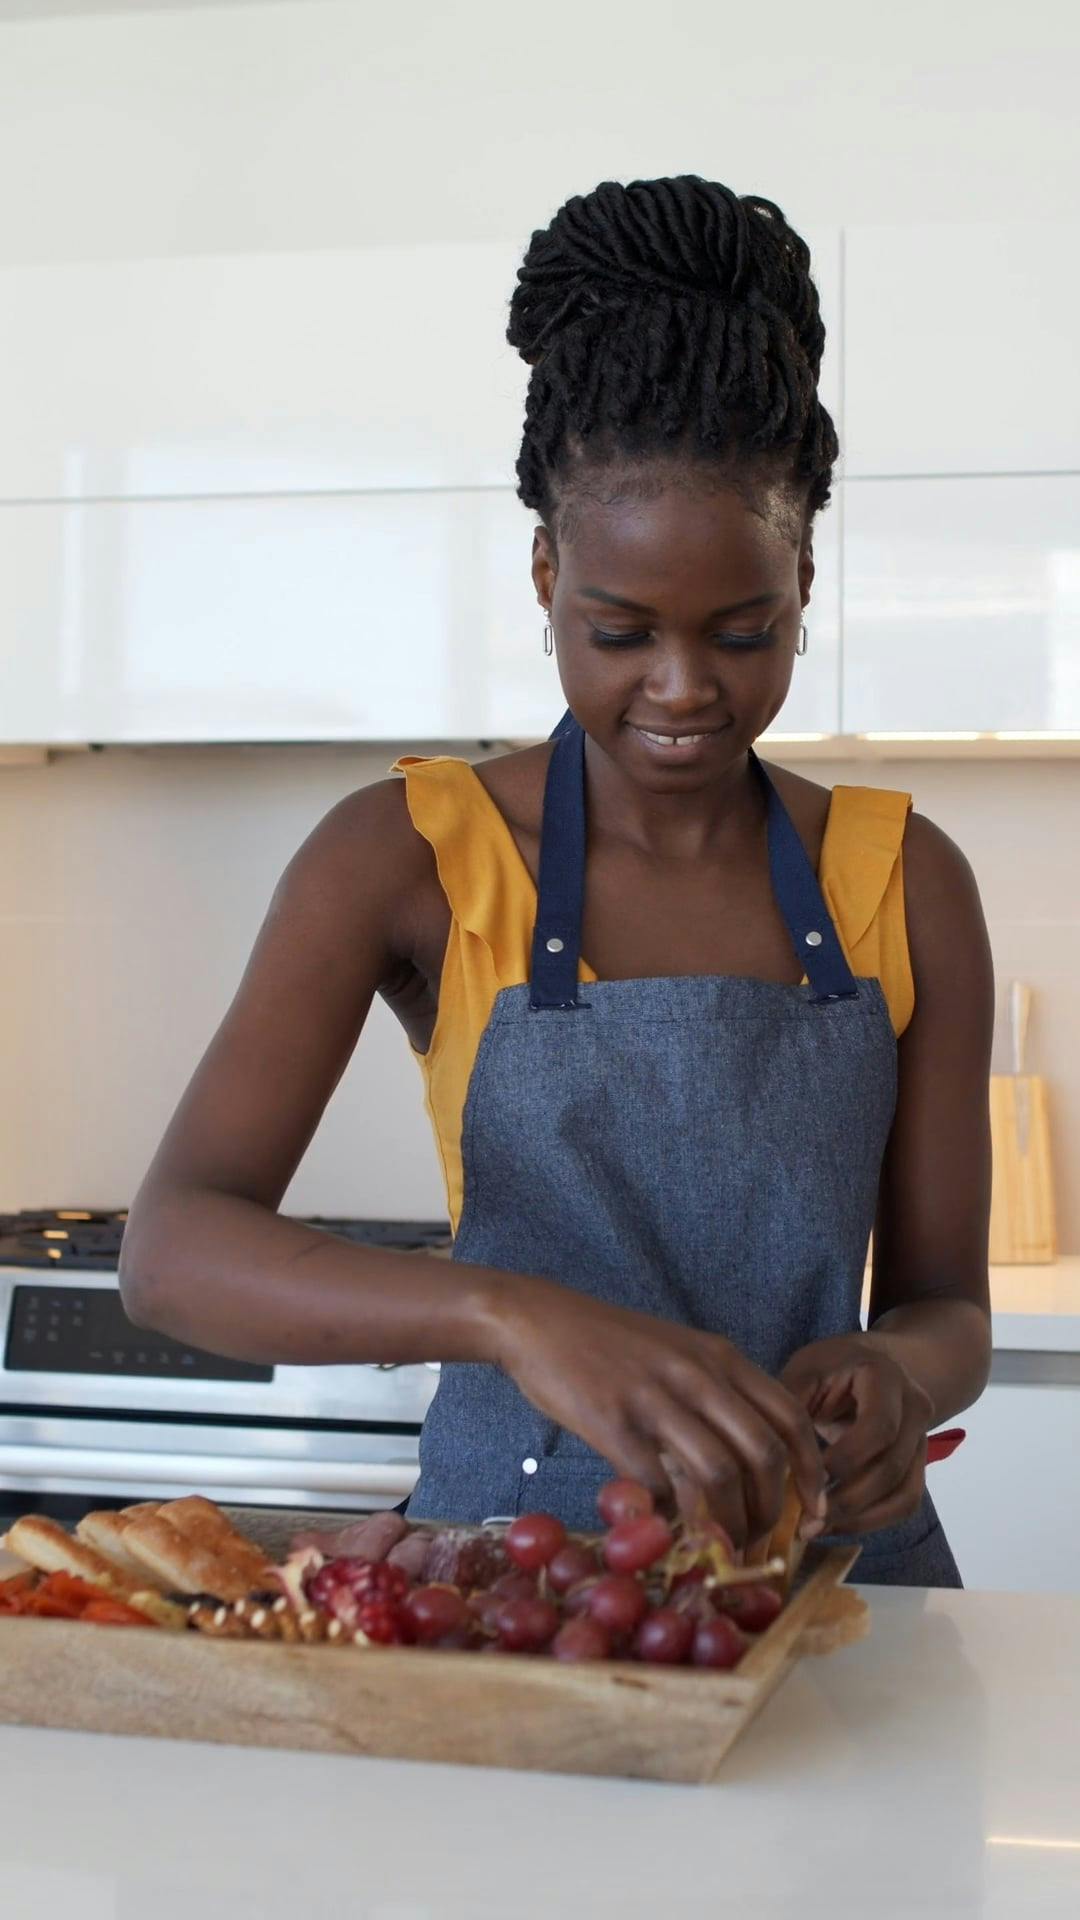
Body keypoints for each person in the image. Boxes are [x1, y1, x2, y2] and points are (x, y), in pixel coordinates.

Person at [120, 174, 994, 1584]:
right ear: (542, 577)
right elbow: (170, 1253)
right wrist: (512, 1317)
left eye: (743, 631)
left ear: (807, 581)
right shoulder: (406, 855)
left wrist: (901, 1374)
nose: (683, 688)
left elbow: (950, 1304)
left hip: (847, 1587)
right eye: (620, 628)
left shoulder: (905, 878)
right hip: (512, 1581)